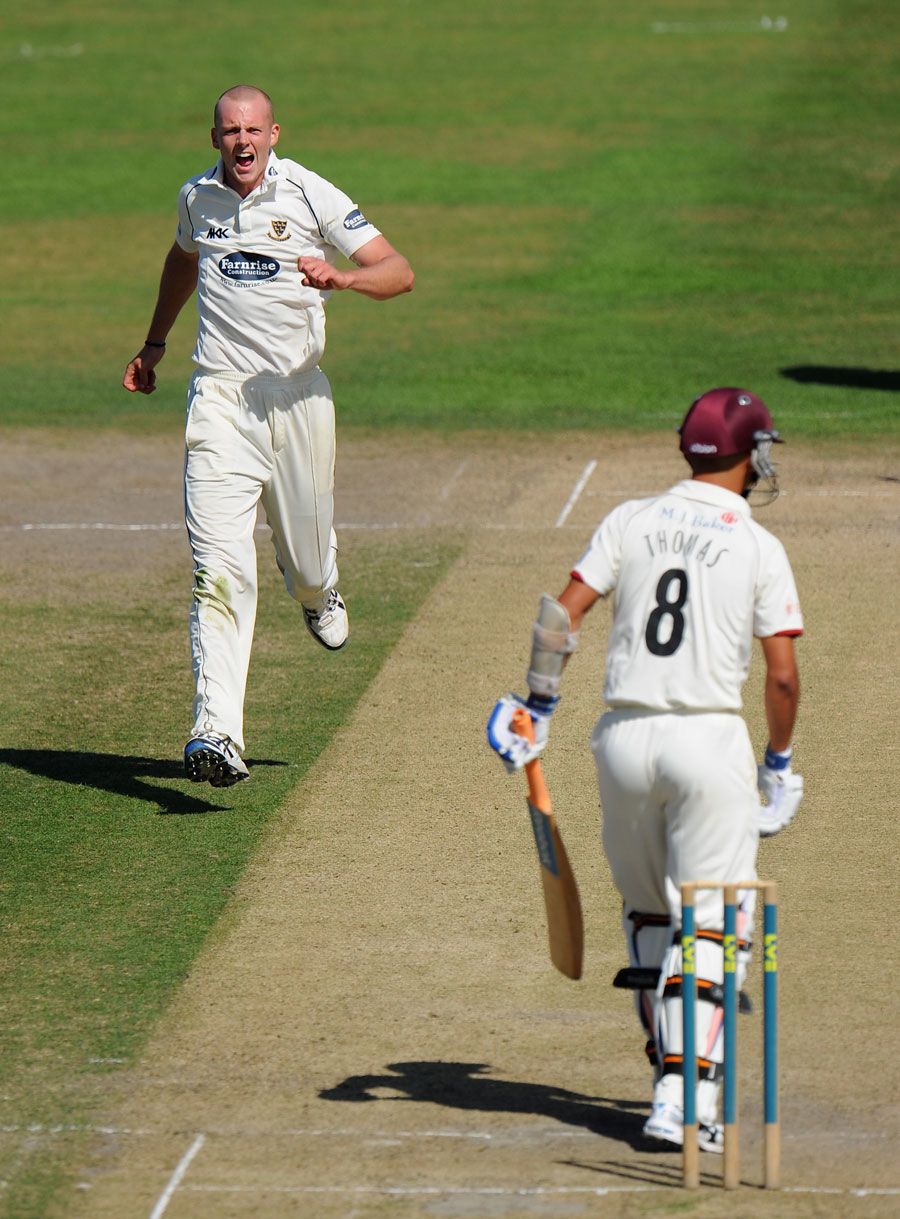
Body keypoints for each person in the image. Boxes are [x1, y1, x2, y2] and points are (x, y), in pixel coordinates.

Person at [487, 388, 804, 1152]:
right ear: (752, 455)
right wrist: (779, 764)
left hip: (622, 741)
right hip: (708, 743)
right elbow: (783, 677)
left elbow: (559, 616)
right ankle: (682, 1096)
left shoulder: (631, 519)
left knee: (652, 916)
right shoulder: (758, 545)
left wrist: (537, 705)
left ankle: (673, 1080)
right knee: (714, 922)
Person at [123, 85, 414, 788]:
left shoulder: (309, 194)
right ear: (215, 138)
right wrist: (155, 342)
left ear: (274, 133)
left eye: (254, 130)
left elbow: (398, 272)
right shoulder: (198, 198)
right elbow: (183, 259)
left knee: (307, 562)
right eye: (230, 132)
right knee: (218, 568)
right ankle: (216, 729)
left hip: (297, 401)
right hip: (219, 401)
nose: (243, 142)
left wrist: (342, 277)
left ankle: (318, 589)